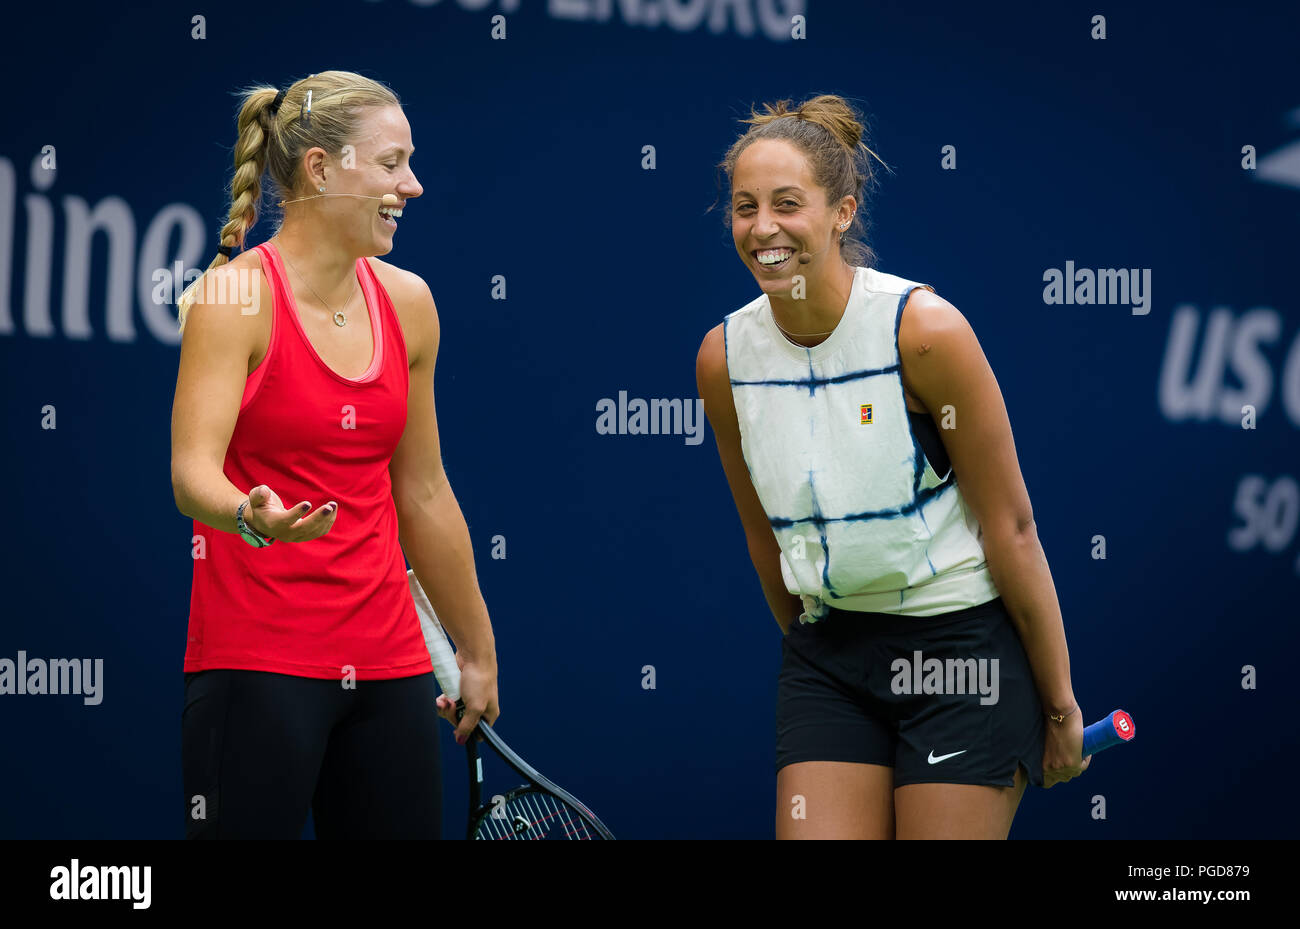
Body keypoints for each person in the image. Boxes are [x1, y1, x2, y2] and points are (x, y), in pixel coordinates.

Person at [695, 94, 1089, 839]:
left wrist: (1059, 703)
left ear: (843, 212)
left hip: (961, 655)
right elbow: (763, 536)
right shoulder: (722, 359)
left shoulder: (927, 332)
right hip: (831, 661)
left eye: (787, 204)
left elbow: (1011, 527)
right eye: (745, 207)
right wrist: (818, 644)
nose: (763, 229)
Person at [170, 71, 498, 839]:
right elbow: (191, 472)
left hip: (391, 669)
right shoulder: (232, 297)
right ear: (320, 168)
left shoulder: (411, 303)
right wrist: (248, 514)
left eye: (409, 163)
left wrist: (476, 650)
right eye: (390, 163)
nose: (411, 185)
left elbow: (422, 492)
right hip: (257, 666)